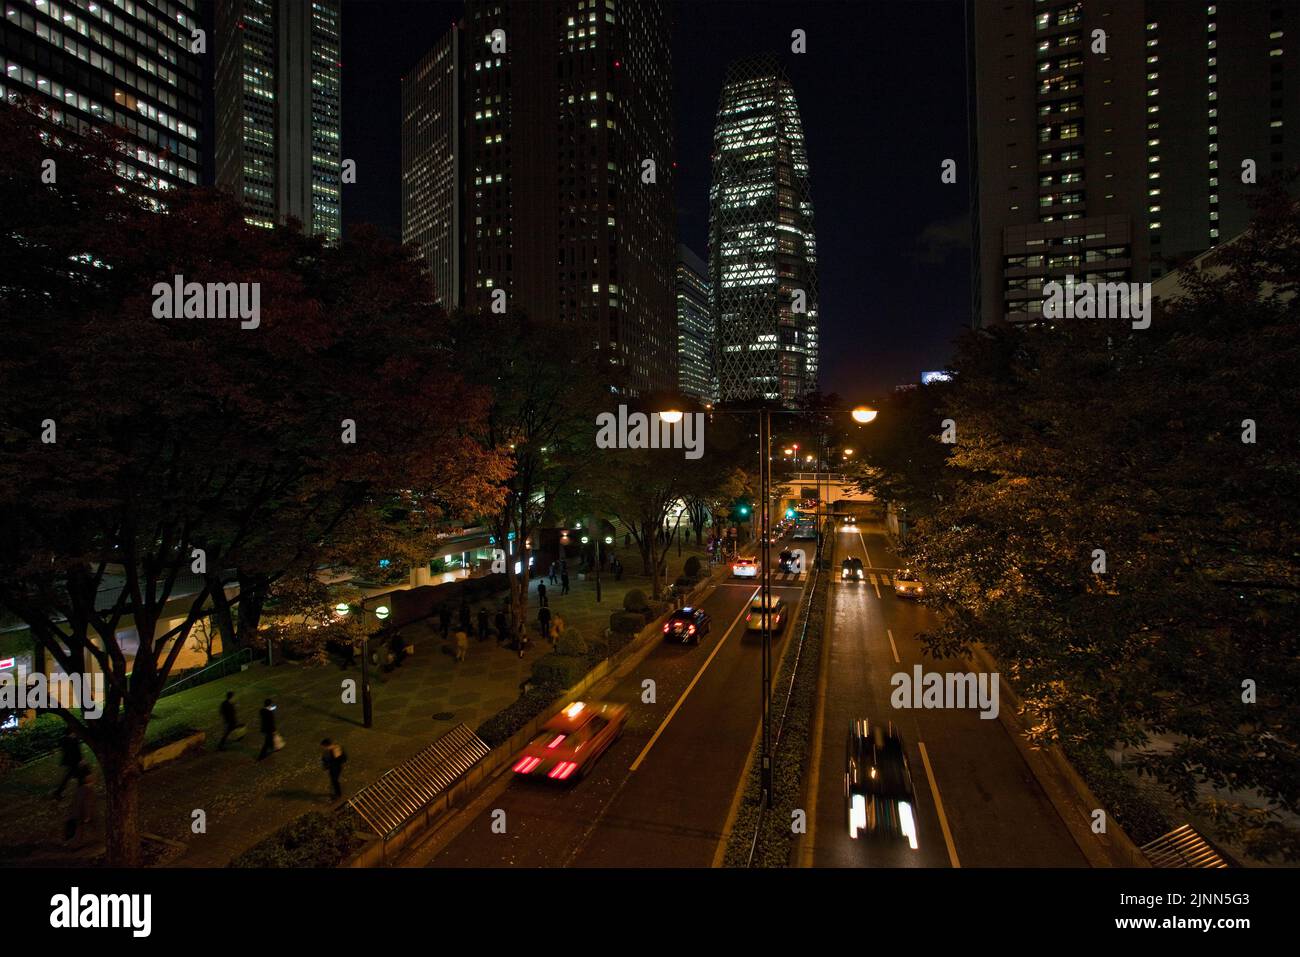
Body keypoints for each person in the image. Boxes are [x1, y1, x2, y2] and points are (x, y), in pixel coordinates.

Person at [64, 764, 94, 846]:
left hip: (78, 812)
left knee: (78, 826)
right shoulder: (84, 788)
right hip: (78, 812)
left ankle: (74, 843)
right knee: (76, 825)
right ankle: (73, 842)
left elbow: (87, 803)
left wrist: (87, 815)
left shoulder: (85, 788)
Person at [54, 730, 81, 798]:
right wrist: (80, 759)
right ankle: (58, 792)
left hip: (71, 761)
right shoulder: (72, 740)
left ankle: (59, 792)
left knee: (72, 775)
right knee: (70, 776)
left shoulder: (64, 740)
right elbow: (76, 751)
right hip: (74, 761)